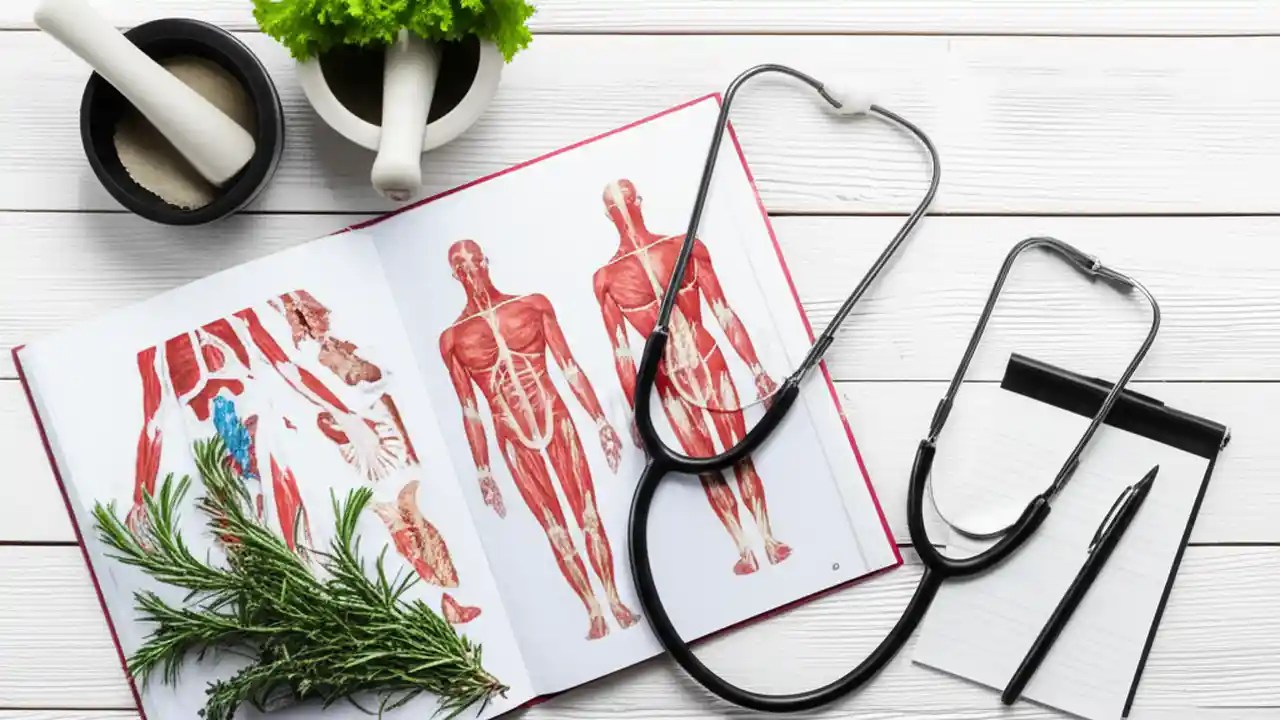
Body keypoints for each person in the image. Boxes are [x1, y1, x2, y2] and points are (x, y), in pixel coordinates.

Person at [439, 239, 638, 640]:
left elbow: (568, 366)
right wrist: (482, 470)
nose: (469, 269)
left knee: (586, 514)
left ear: (486, 259)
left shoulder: (531, 305)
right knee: (553, 525)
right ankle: (594, 610)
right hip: (510, 434)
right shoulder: (453, 339)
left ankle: (615, 600)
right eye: (460, 265)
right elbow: (469, 408)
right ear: (453, 274)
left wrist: (600, 421)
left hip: (556, 416)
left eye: (473, 259)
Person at [591, 179, 791, 576]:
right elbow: (624, 351)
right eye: (623, 205)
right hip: (676, 379)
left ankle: (762, 541)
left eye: (622, 202)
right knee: (712, 460)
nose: (625, 211)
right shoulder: (613, 277)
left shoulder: (676, 250)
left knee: (730, 454)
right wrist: (637, 414)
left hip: (696, 368)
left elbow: (722, 312)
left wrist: (758, 372)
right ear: (637, 201)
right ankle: (749, 544)